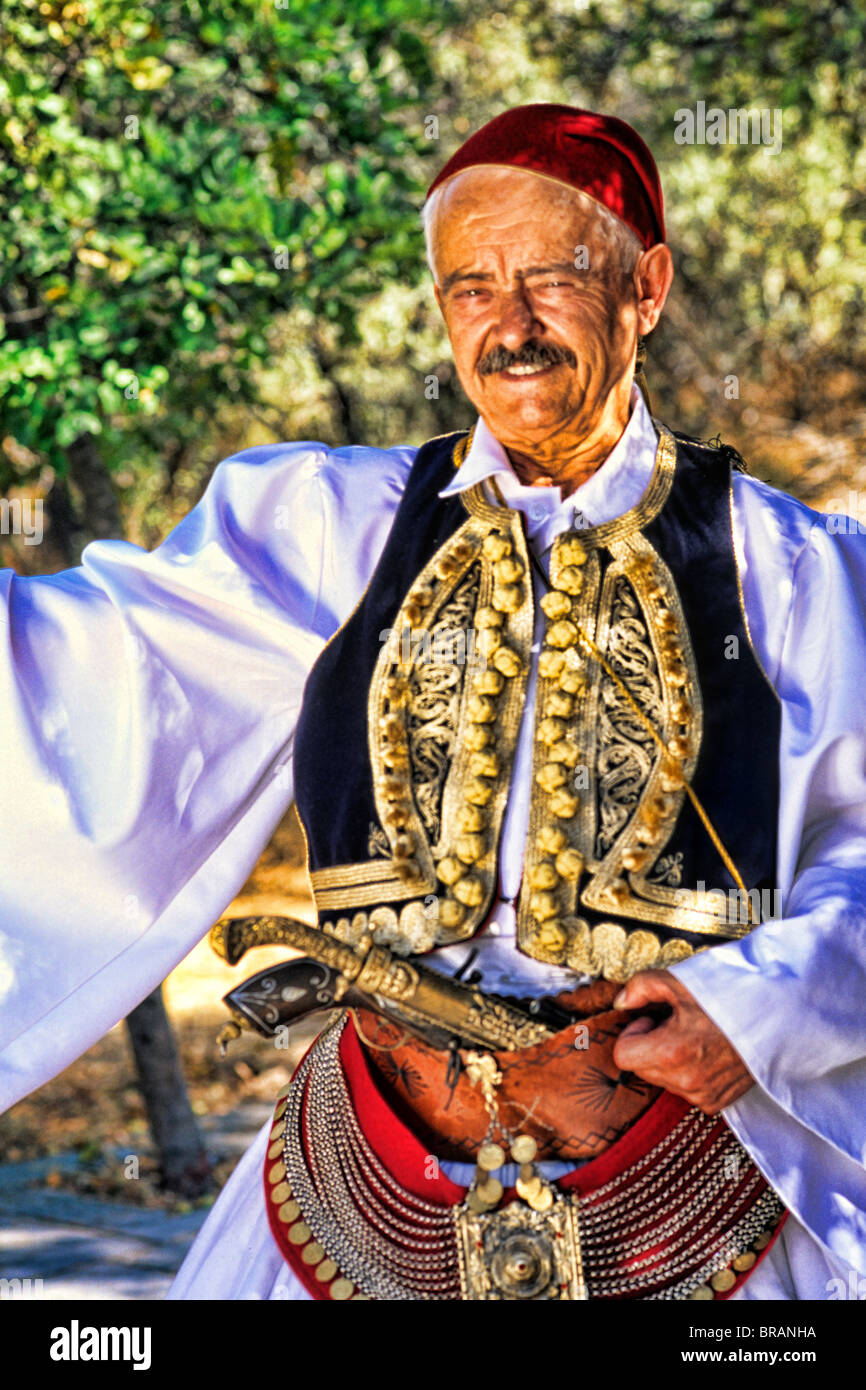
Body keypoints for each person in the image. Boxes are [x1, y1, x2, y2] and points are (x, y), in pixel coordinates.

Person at [1, 104, 865, 1302]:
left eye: (549, 277)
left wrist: (754, 1010)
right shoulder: (324, 524)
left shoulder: (793, 566)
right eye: (468, 289)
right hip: (357, 1178)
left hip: (689, 1192)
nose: (506, 327)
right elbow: (82, 673)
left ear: (645, 286)